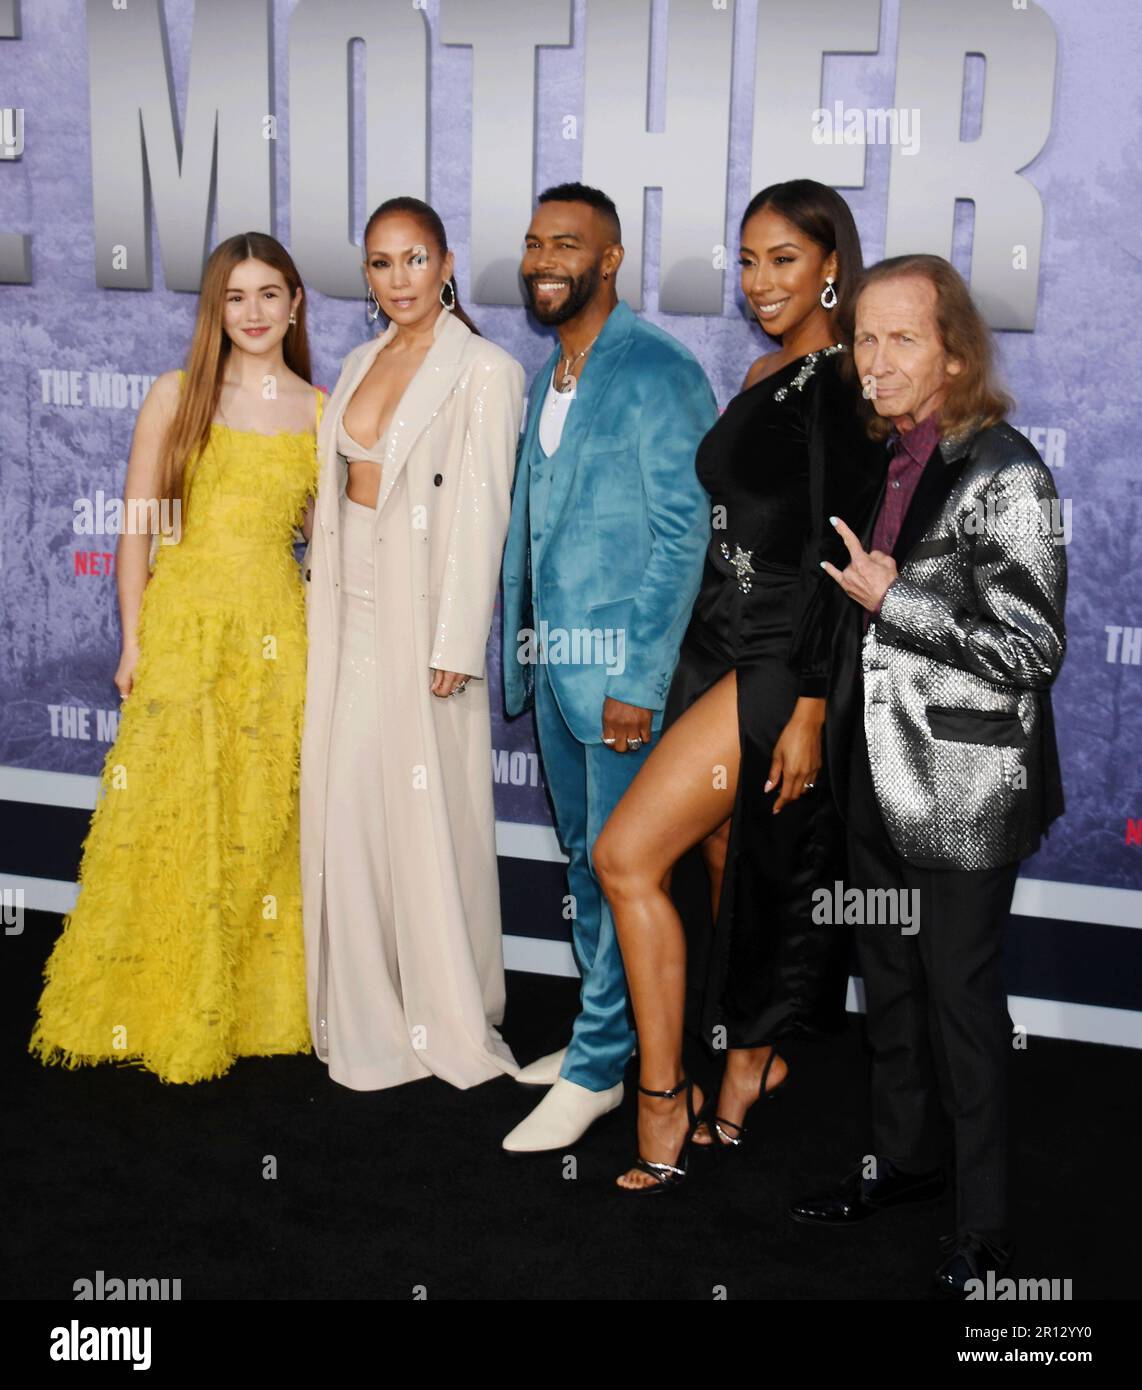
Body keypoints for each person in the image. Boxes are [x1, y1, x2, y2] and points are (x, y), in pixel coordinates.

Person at [592, 181, 885, 1191]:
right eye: (748, 260)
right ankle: (749, 1064)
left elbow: (840, 558)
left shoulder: (844, 383)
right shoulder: (767, 368)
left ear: (830, 267)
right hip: (720, 643)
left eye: (783, 261)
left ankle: (664, 1105)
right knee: (732, 868)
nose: (760, 281)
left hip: (778, 660)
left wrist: (807, 701)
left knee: (624, 856)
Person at [789, 254, 1067, 1298]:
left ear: (953, 351)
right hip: (873, 777)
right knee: (891, 989)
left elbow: (1030, 648)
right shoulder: (883, 459)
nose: (873, 359)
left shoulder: (1009, 473)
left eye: (899, 337)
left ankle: (985, 1228)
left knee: (957, 998)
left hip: (962, 790)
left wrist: (896, 599)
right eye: (861, 337)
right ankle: (905, 1165)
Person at [30, 233, 321, 1083]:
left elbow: (326, 543)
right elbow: (139, 531)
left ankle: (251, 1009)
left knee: (258, 821)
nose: (255, 312)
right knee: (169, 812)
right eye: (236, 297)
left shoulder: (321, 408)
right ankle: (152, 1003)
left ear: (296, 304)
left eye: (271, 294)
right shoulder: (175, 396)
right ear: (215, 310)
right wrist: (133, 639)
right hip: (185, 628)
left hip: (277, 637)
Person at [499, 183, 717, 1152]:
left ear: (610, 258)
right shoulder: (549, 371)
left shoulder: (656, 371)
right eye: (534, 242)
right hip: (554, 670)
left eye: (567, 243)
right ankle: (608, 1038)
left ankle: (594, 1072)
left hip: (621, 681)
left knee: (622, 867)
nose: (544, 257)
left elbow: (682, 537)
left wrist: (639, 677)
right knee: (586, 867)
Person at [299, 197, 524, 1092]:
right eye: (382, 264)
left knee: (428, 816)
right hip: (346, 600)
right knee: (347, 802)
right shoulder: (357, 360)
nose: (399, 280)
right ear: (368, 276)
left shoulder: (486, 369)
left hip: (425, 614)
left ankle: (440, 1007)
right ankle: (364, 1003)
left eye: (414, 260)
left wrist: (458, 636)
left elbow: (486, 510)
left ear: (445, 264)